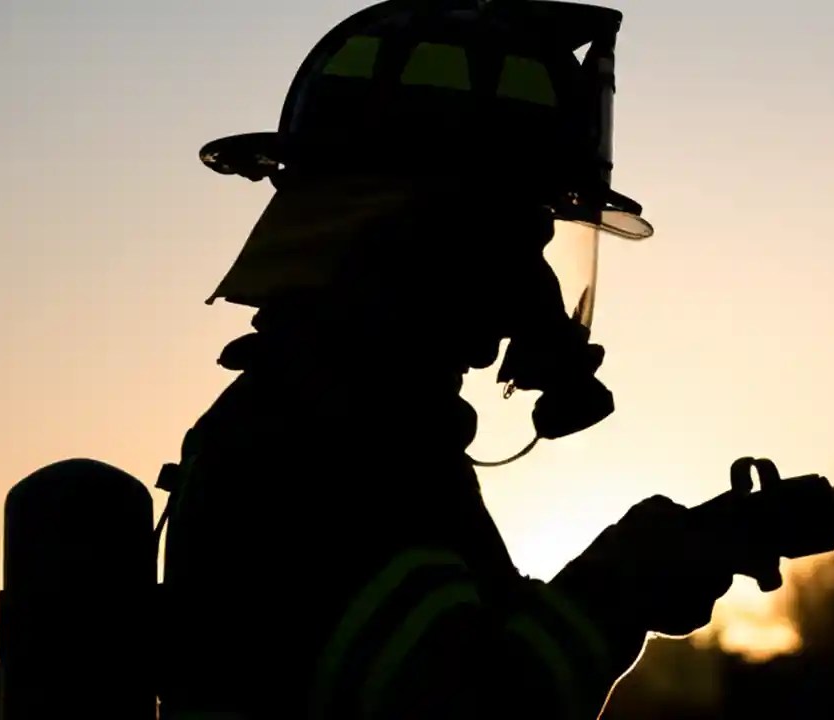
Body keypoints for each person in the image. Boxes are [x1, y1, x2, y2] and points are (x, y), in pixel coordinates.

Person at [153, 1, 784, 717]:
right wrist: (625, 583)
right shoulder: (317, 453)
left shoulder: (371, 433)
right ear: (425, 238)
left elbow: (486, 638)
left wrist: (673, 557)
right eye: (519, 240)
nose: (535, 289)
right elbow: (482, 704)